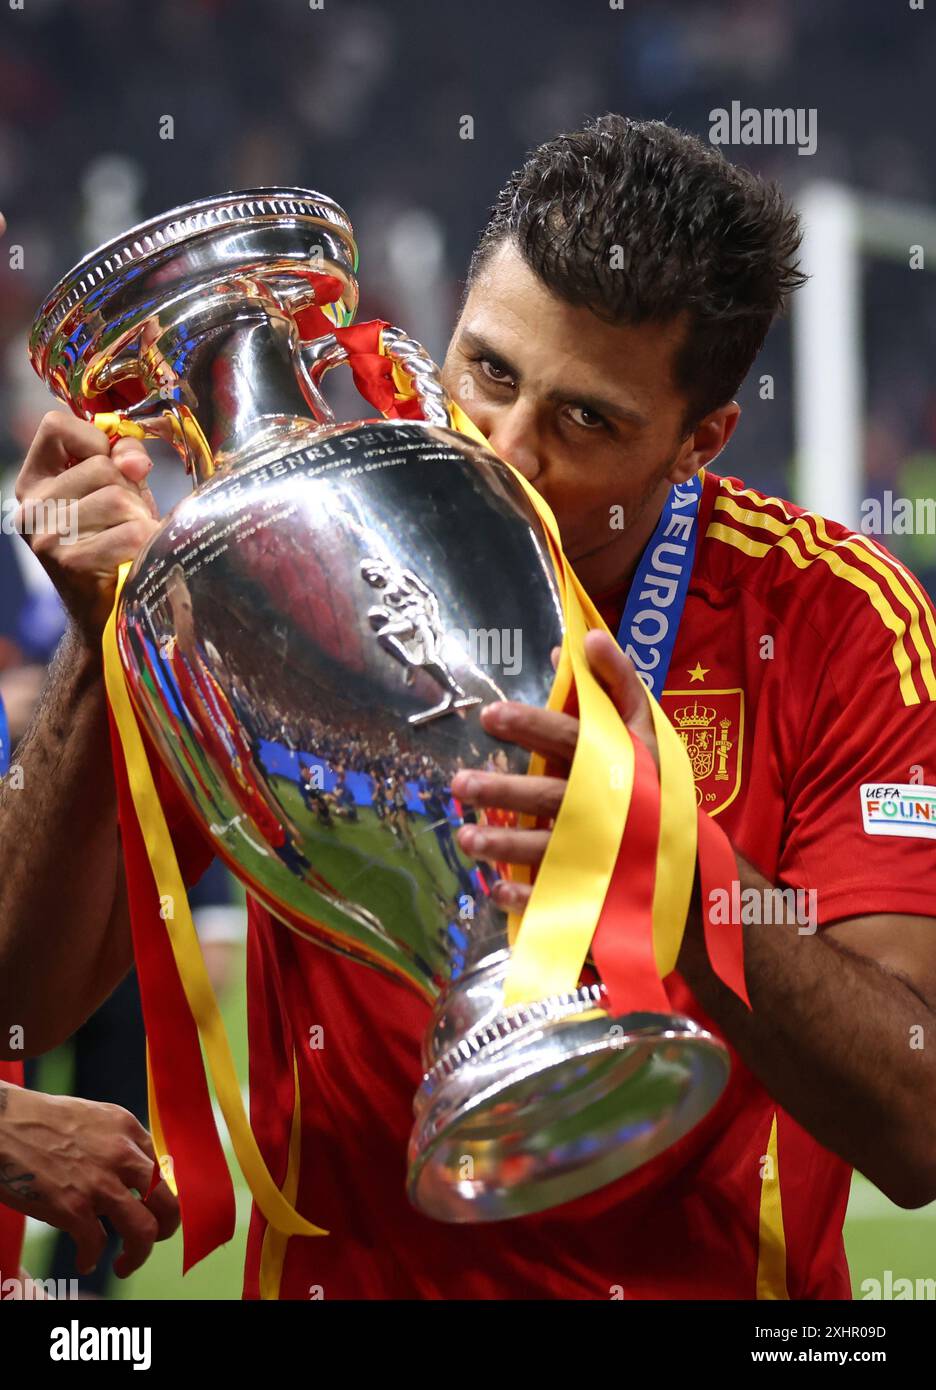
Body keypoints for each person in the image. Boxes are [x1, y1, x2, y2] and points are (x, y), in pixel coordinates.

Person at [3, 116, 936, 1300]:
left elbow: (916, 1129)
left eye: (584, 420)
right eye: (488, 372)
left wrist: (678, 873)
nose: (505, 444)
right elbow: (20, 1006)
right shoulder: (288, 563)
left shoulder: (834, 620)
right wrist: (108, 641)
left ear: (699, 443)